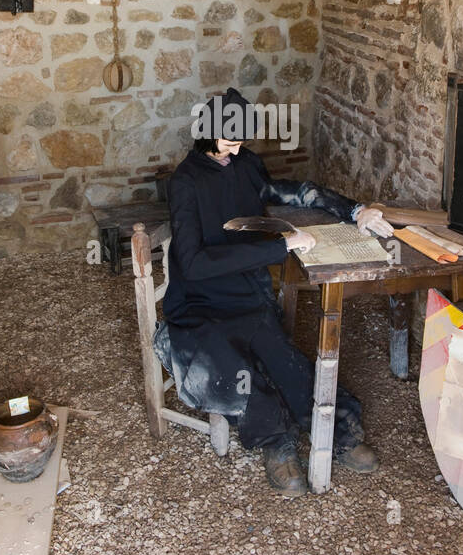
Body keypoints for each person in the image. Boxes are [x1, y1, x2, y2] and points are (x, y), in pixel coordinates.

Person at [160, 88, 395, 497]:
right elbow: (194, 265)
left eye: (240, 141)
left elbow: (294, 191)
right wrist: (279, 246)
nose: (235, 149)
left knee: (288, 364)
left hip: (246, 295)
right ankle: (277, 444)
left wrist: (356, 211)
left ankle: (339, 431)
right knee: (239, 376)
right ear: (207, 134)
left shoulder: (246, 164)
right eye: (228, 140)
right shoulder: (185, 182)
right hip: (200, 305)